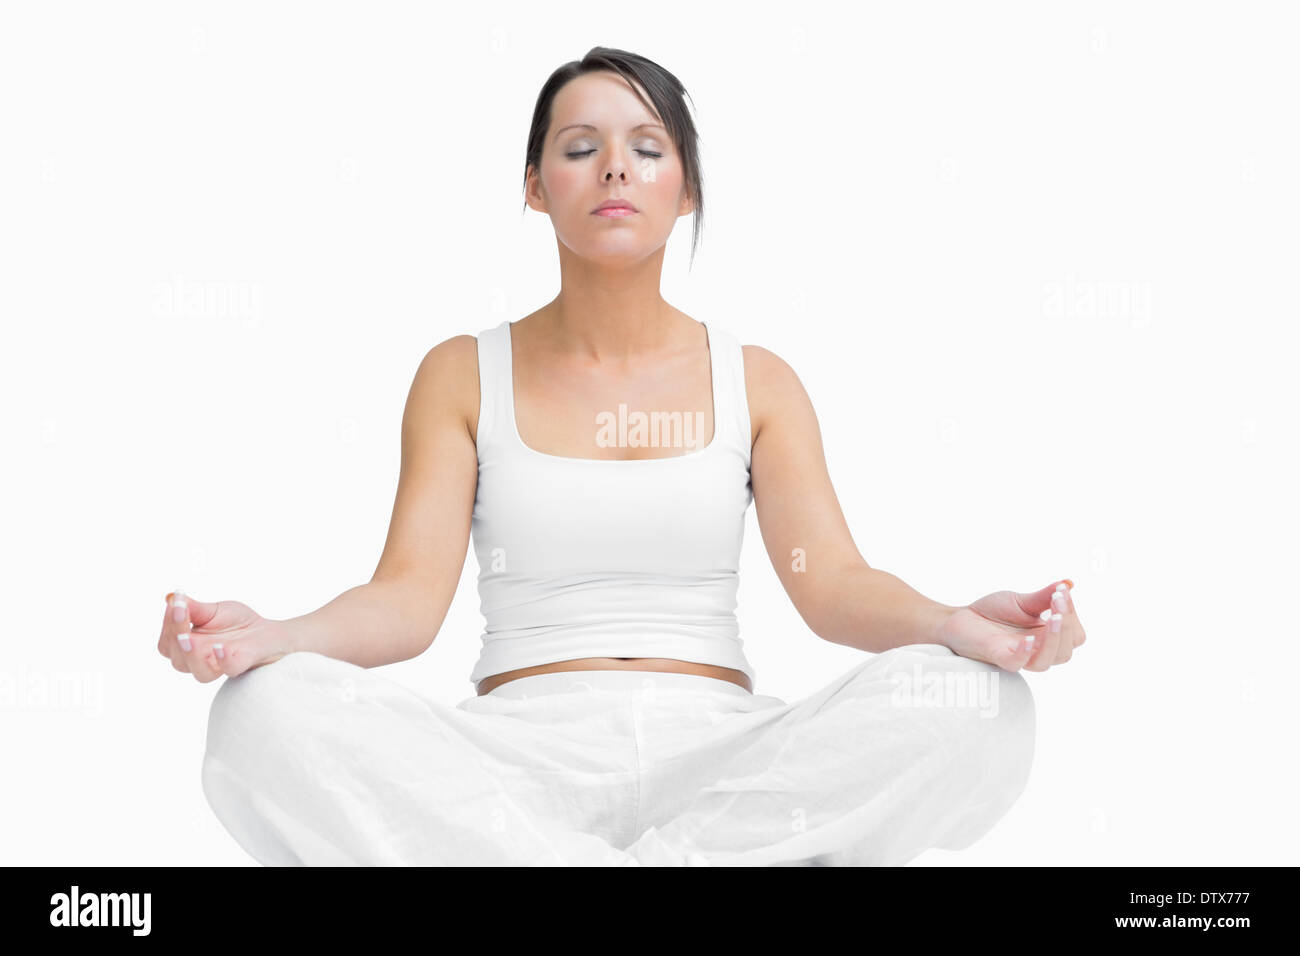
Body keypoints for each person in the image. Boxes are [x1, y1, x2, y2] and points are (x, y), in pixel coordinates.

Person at [160, 47, 1086, 866]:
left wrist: (955, 623)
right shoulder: (459, 373)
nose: (614, 166)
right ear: (535, 185)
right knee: (258, 717)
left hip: (728, 767)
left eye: (647, 148)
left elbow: (834, 584)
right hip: (512, 769)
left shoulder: (758, 380)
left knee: (982, 703)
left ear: (686, 191)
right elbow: (404, 602)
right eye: (578, 147)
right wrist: (276, 639)